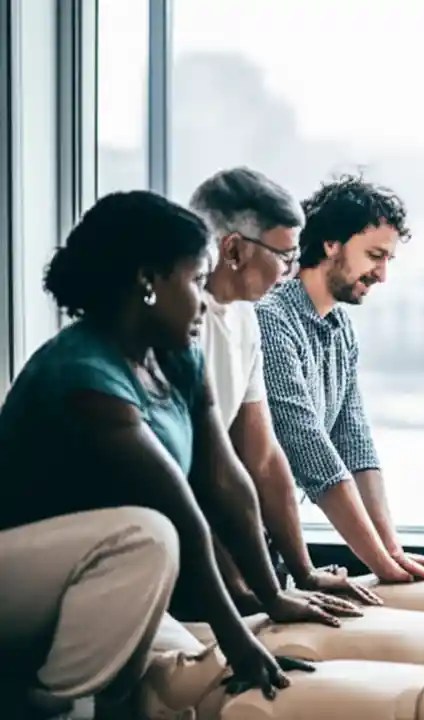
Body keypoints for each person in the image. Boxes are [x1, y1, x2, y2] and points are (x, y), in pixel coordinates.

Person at [0, 192, 324, 717]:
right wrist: (238, 638)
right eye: (196, 281)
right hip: (24, 579)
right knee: (150, 536)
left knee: (188, 681)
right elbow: (182, 514)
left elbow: (226, 481)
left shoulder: (177, 357)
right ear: (148, 282)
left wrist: (272, 596)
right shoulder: (84, 375)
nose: (203, 300)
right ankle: (48, 706)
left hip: (94, 578)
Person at [189, 167, 382, 611]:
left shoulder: (245, 317)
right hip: (185, 543)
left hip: (234, 538)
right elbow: (196, 477)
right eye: (285, 257)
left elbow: (263, 455)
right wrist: (254, 597)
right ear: (233, 250)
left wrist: (304, 571)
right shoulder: (183, 325)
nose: (288, 273)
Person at [256, 174, 424, 583]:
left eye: (388, 260)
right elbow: (308, 449)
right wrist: (382, 565)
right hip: (229, 541)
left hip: (273, 540)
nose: (382, 274)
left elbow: (355, 444)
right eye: (374, 256)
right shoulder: (270, 320)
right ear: (331, 243)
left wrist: (393, 554)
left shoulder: (341, 327)